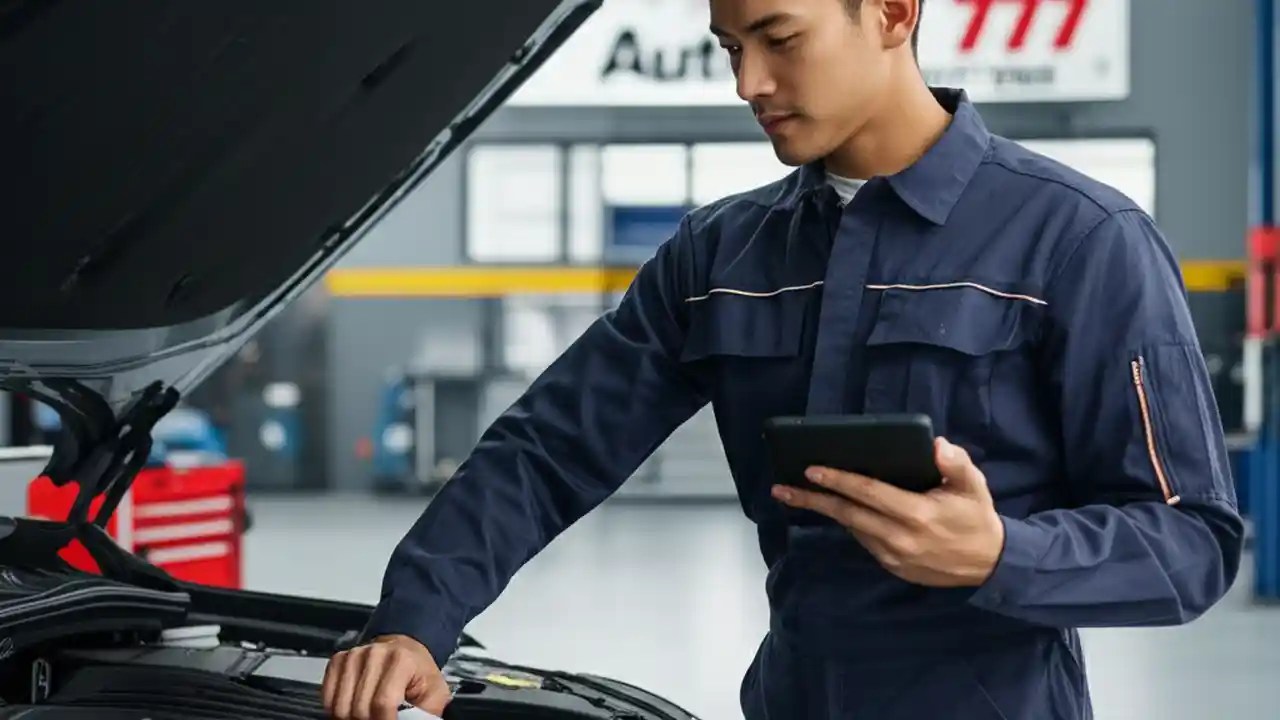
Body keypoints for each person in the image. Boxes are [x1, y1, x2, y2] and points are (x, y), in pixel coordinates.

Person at [321, 0, 1245, 717]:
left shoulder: (1079, 242)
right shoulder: (722, 259)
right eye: (730, 47)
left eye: (779, 38)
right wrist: (415, 623)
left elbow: (1191, 540)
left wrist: (1003, 551)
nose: (747, 82)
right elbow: (545, 452)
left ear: (891, 13)